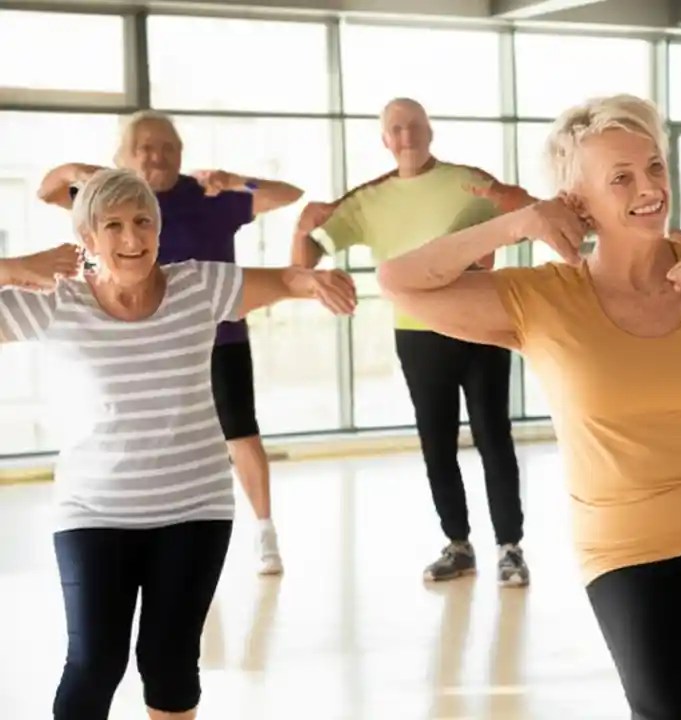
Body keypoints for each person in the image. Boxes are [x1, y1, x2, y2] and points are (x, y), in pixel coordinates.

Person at [375, 94, 681, 719]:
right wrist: (519, 223)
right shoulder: (541, 298)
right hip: (626, 546)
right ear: (578, 204)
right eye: (622, 178)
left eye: (655, 167)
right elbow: (400, 282)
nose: (649, 187)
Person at [0, 168, 355, 720]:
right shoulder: (52, 301)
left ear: (160, 229)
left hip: (194, 508)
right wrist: (11, 267)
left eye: (143, 222)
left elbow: (286, 280)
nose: (131, 238)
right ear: (87, 239)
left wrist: (312, 281)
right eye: (111, 226)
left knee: (169, 663)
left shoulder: (198, 286)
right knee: (94, 662)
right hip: (94, 512)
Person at [37, 110, 306, 576]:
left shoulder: (207, 194)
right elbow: (48, 189)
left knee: (241, 431)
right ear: (122, 155)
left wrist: (237, 179)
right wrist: (82, 173)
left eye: (168, 147)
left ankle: (264, 531)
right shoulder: (104, 198)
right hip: (130, 342)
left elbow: (289, 195)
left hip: (218, 338)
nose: (157, 156)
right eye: (144, 147)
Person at [291, 97, 532, 587]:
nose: (406, 135)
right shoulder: (367, 200)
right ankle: (458, 545)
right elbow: (305, 261)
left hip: (480, 324)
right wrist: (300, 225)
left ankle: (510, 547)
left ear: (430, 131)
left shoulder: (467, 180)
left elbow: (527, 211)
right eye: (395, 129)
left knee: (494, 435)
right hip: (418, 336)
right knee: (436, 442)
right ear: (385, 140)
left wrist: (505, 197)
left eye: (414, 125)